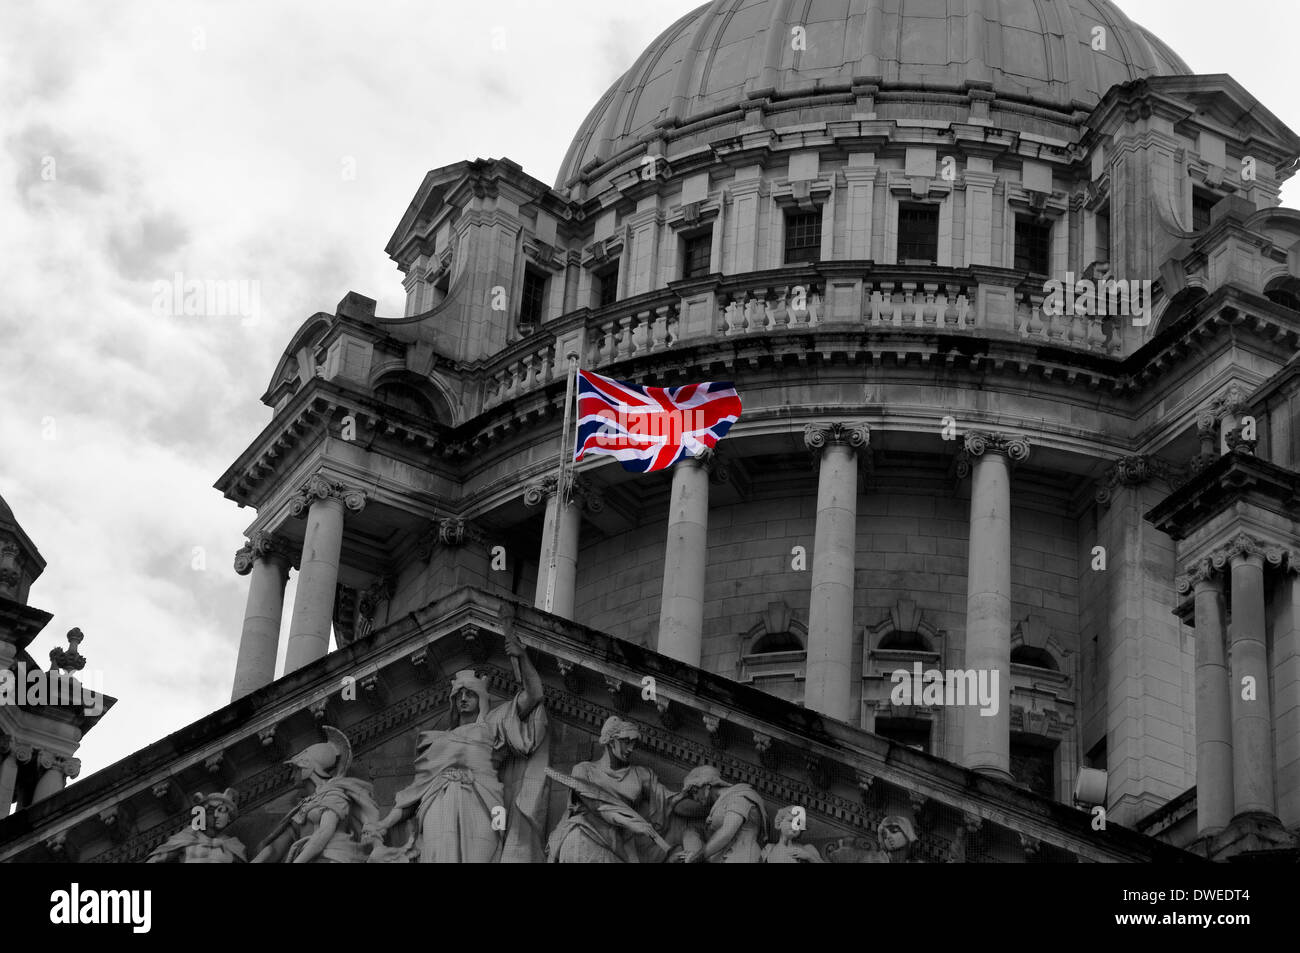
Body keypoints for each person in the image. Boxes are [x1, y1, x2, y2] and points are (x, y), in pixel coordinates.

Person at [364, 637, 548, 862]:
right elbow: (413, 792)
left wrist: (522, 657)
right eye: (458, 695)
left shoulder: (494, 724)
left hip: (483, 801)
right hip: (438, 802)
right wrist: (384, 824)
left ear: (481, 698)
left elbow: (535, 694)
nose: (463, 699)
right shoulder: (437, 741)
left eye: (470, 694)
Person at [546, 716, 688, 862]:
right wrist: (630, 823)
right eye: (626, 742)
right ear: (610, 740)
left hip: (621, 846)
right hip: (586, 835)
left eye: (634, 744)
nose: (631, 748)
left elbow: (672, 801)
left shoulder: (641, 775)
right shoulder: (584, 770)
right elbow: (596, 805)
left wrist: (698, 794)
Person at [251, 726, 379, 863]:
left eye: (296, 769)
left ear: (308, 768)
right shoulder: (304, 807)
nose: (292, 775)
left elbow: (323, 834)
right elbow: (276, 848)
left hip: (333, 857)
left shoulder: (335, 795)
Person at [676, 765, 767, 863]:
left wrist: (696, 858)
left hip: (740, 856)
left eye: (695, 791)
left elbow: (727, 832)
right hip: (722, 858)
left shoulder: (739, 795)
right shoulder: (718, 806)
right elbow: (679, 808)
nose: (695, 797)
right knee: (690, 831)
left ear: (707, 786)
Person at [146, 789, 246, 863]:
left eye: (222, 811)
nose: (216, 815)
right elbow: (156, 860)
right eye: (211, 812)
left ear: (229, 818)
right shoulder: (187, 837)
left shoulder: (234, 846)